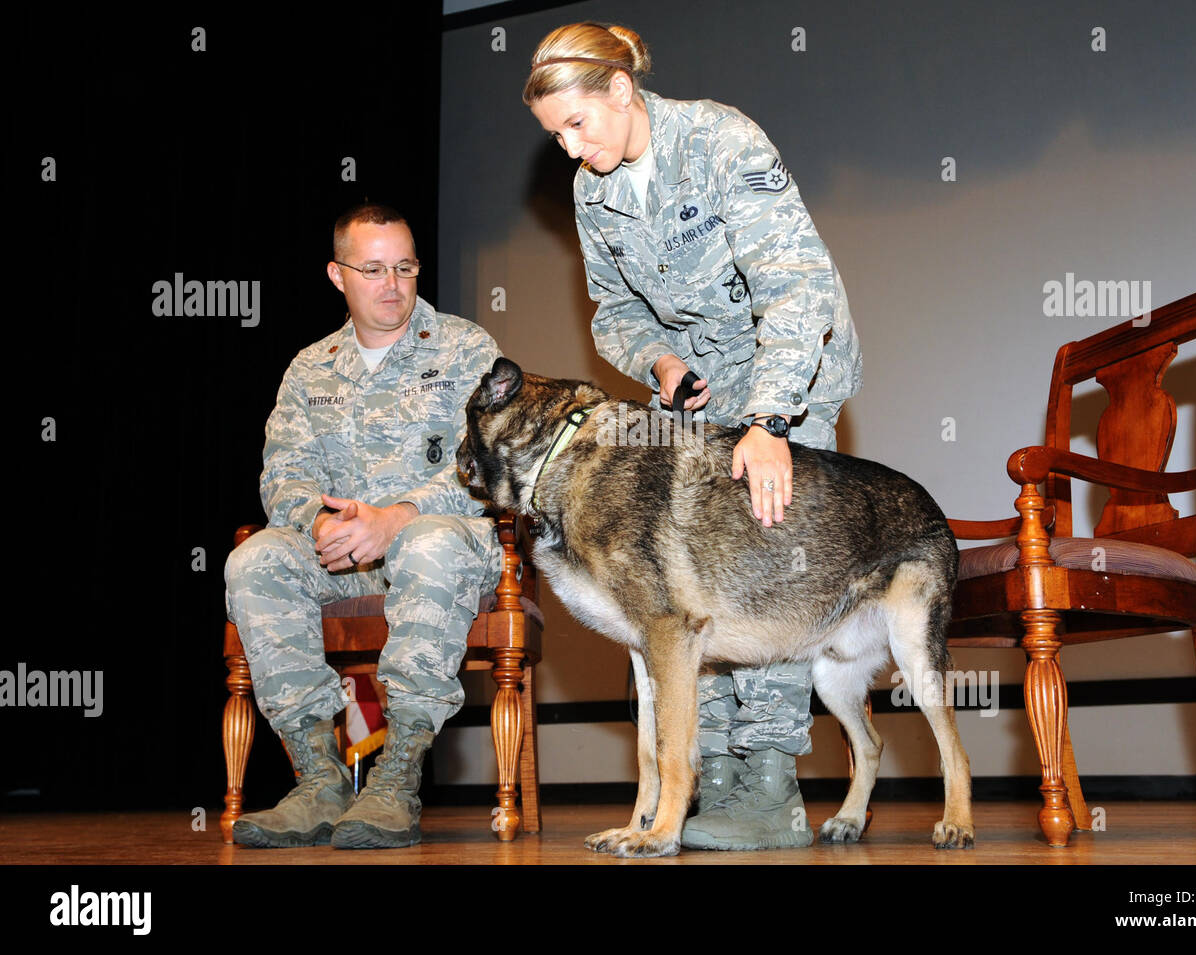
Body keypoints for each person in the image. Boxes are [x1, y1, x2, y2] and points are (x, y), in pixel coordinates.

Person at [524, 22, 864, 850]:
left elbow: (797, 285)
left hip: (792, 368)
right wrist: (664, 361)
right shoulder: (592, 191)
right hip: (701, 398)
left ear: (620, 89)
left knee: (770, 557)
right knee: (684, 583)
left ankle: (769, 783)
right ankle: (706, 772)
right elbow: (614, 311)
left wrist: (774, 420)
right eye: (555, 136)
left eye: (578, 124)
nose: (571, 149)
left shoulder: (719, 138)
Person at [224, 204, 504, 849]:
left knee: (429, 544)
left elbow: (491, 463)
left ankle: (396, 780)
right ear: (336, 274)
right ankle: (318, 780)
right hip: (339, 554)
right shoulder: (310, 366)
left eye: (405, 268)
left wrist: (395, 519)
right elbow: (281, 476)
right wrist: (321, 521)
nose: (392, 285)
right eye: (373, 269)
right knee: (256, 560)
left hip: (446, 541)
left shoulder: (466, 349)